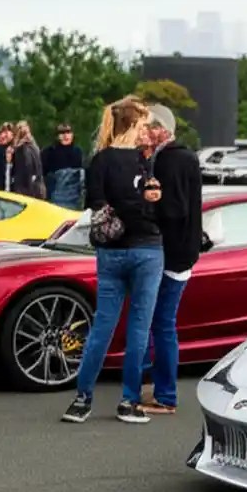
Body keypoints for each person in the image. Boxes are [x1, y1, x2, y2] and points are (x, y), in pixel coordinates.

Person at [61, 96, 163, 425]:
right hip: (146, 248)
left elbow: (93, 201)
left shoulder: (100, 160)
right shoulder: (145, 162)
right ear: (133, 125)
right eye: (144, 123)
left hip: (110, 250)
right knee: (138, 328)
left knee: (102, 325)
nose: (147, 130)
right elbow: (153, 204)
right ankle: (128, 401)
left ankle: (82, 398)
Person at [140, 104, 202, 415]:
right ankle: (157, 388)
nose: (144, 132)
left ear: (163, 130)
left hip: (172, 253)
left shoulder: (170, 159)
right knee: (160, 322)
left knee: (162, 323)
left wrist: (148, 205)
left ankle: (165, 395)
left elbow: (175, 208)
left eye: (149, 127)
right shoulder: (184, 156)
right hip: (183, 251)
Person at [41, 122, 85, 209]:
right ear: (57, 136)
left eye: (68, 133)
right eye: (62, 133)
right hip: (54, 194)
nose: (66, 136)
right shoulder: (48, 152)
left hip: (74, 196)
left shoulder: (78, 151)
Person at [7, 120, 45, 198]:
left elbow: (31, 167)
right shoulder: (28, 147)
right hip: (30, 186)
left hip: (30, 187)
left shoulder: (27, 148)